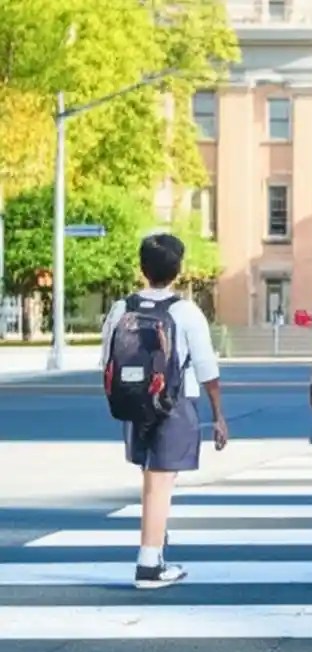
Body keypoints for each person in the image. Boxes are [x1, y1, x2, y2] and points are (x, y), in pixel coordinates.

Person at [100, 233, 228, 590]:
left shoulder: (120, 308)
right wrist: (219, 415)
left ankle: (156, 543)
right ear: (178, 270)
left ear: (143, 268)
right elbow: (207, 368)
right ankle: (149, 562)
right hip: (175, 403)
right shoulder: (185, 312)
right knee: (160, 480)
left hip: (132, 404)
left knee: (151, 476)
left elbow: (105, 360)